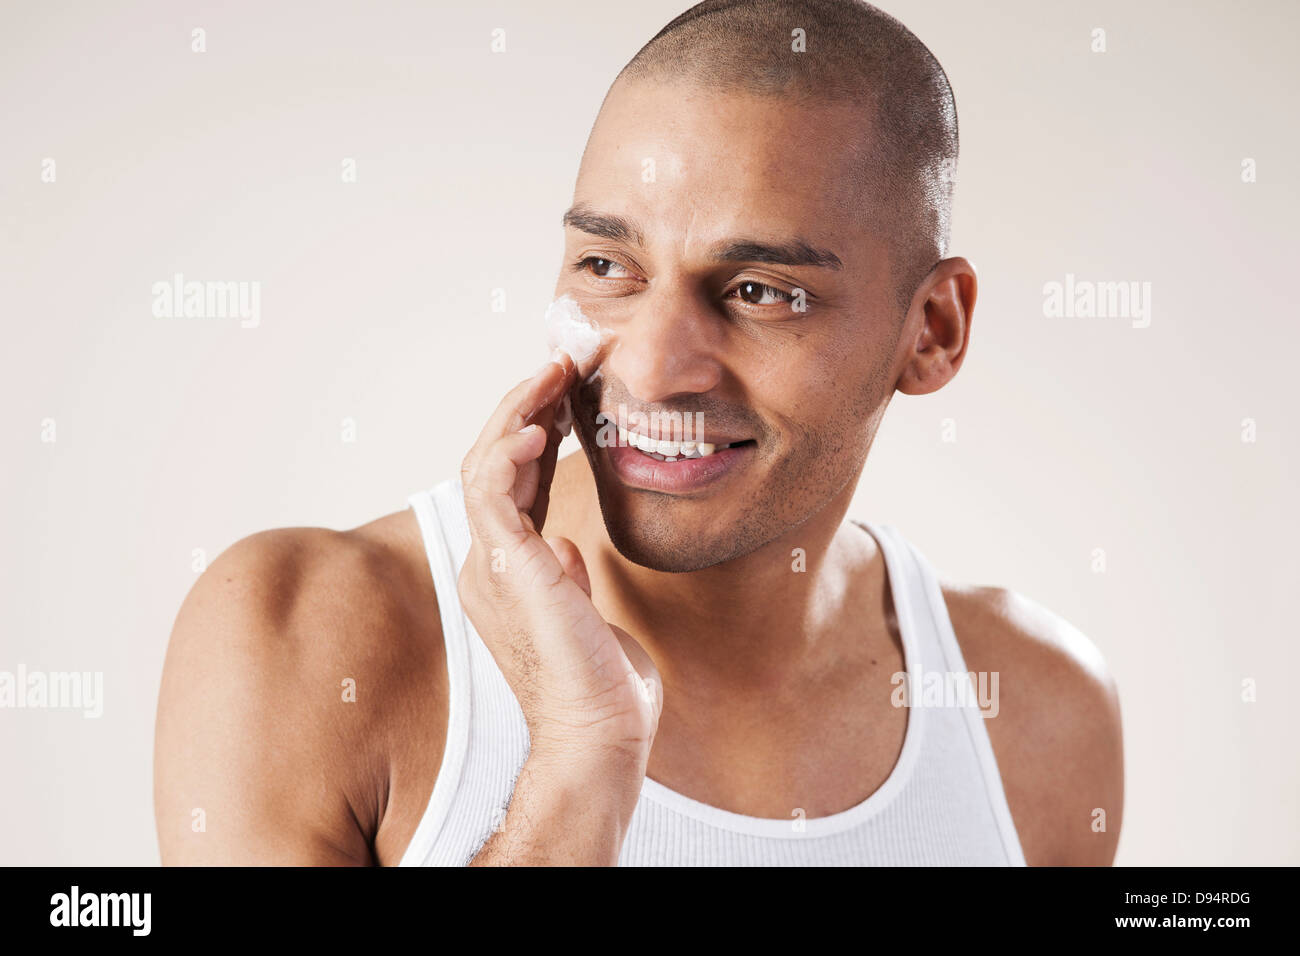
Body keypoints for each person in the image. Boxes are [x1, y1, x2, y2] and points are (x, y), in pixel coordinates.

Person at [154, 0, 1123, 866]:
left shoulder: (1039, 715)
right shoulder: (298, 636)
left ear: (933, 329)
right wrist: (582, 757)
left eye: (760, 291)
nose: (653, 369)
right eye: (608, 266)